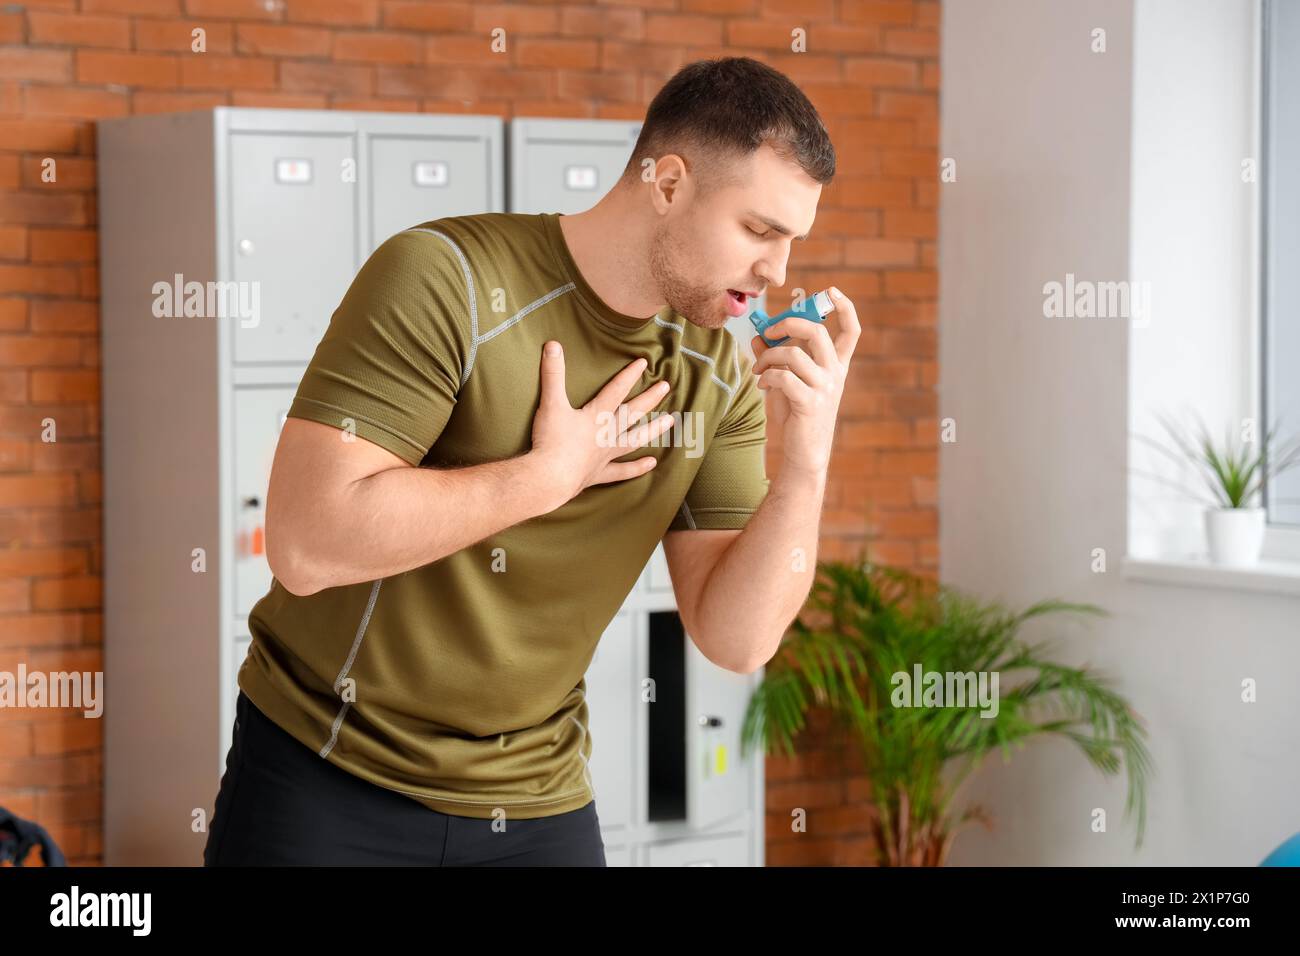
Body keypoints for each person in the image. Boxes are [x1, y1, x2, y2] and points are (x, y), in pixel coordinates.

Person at [203, 56, 859, 867]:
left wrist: (807, 462)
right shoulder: (447, 279)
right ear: (668, 184)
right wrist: (543, 478)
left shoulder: (719, 374)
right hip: (328, 774)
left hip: (536, 800)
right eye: (759, 230)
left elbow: (736, 638)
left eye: (792, 240)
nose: (777, 271)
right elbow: (305, 546)